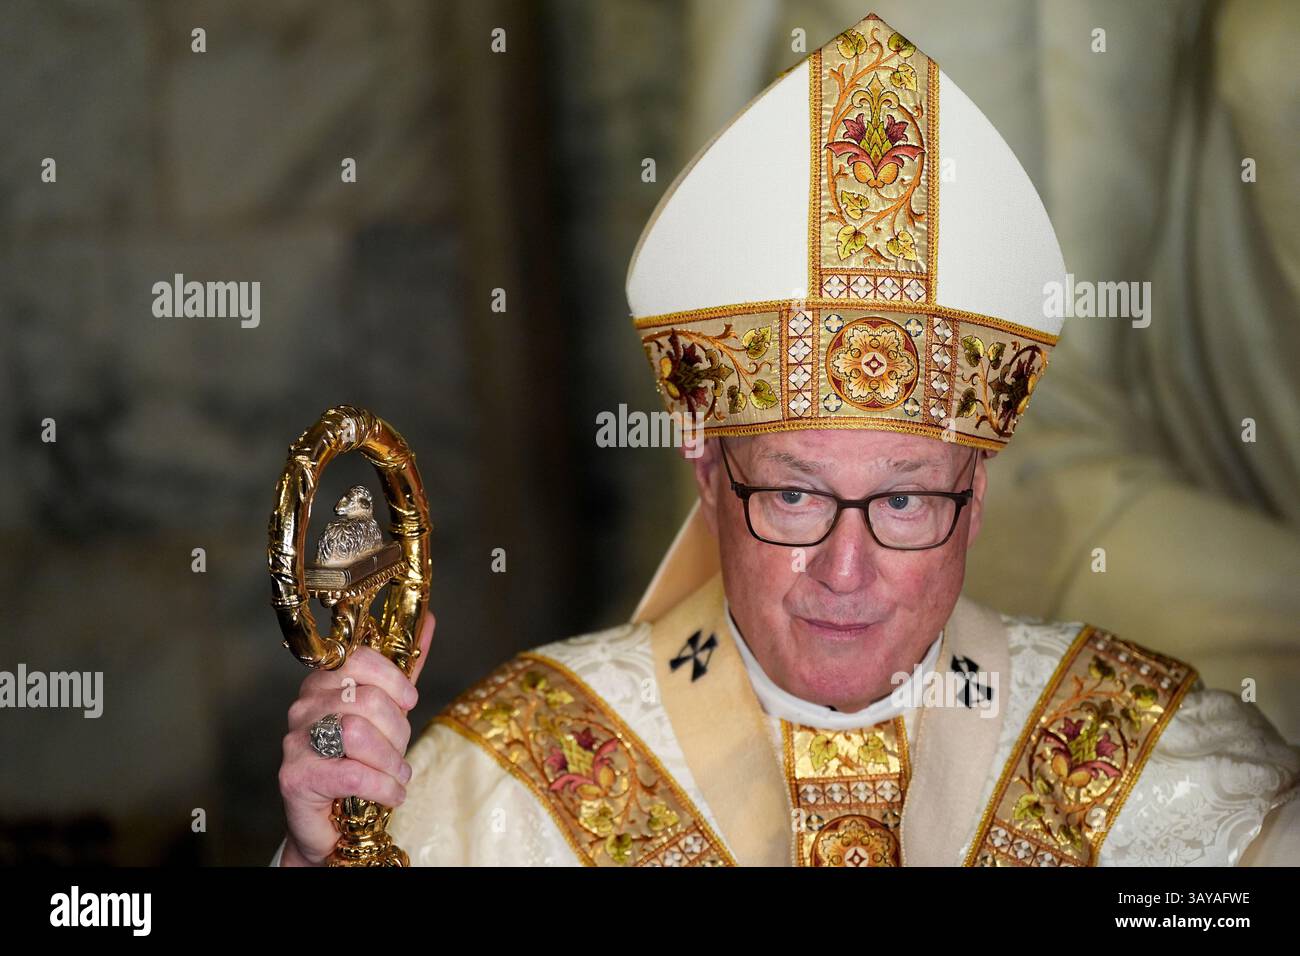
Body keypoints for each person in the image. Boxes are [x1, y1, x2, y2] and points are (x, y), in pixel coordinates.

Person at [273, 10, 1299, 867]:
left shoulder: (1161, 769)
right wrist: (331, 853)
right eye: (795, 495)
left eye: (903, 500)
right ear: (708, 467)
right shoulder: (508, 783)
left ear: (975, 492)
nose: (843, 572)